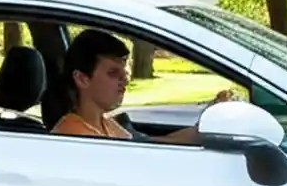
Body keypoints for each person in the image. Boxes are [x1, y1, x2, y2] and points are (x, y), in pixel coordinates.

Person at [50, 28, 234, 144]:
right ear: (82, 79)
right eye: (113, 73)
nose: (125, 80)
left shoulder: (102, 124)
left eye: (124, 71)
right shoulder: (75, 136)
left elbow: (156, 143)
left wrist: (206, 124)